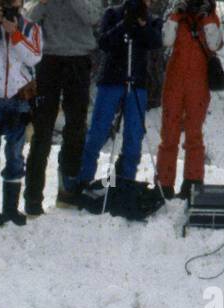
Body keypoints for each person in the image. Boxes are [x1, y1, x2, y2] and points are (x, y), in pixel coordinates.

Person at [68, 0, 163, 195]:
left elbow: (155, 43)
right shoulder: (112, 13)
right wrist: (124, 25)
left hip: (137, 82)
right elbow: (103, 42)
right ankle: (84, 179)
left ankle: (125, 181)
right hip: (111, 79)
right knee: (98, 131)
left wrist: (142, 25)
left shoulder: (152, 19)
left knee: (134, 136)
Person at [24, 1, 103, 214]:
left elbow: (94, 17)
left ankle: (67, 191)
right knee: (42, 129)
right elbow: (28, 18)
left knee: (76, 127)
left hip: (78, 59)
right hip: (48, 60)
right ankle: (32, 198)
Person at [0, 1, 42, 225]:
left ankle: (11, 208)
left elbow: (34, 57)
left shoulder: (32, 28)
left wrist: (16, 35)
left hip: (19, 95)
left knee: (15, 151)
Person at [156, 0, 224, 199]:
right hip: (175, 80)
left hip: (198, 81)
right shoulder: (178, 15)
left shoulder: (210, 17)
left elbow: (215, 44)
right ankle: (165, 183)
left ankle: (193, 182)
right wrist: (176, 15)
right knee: (169, 132)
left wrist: (207, 17)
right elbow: (166, 40)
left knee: (194, 133)